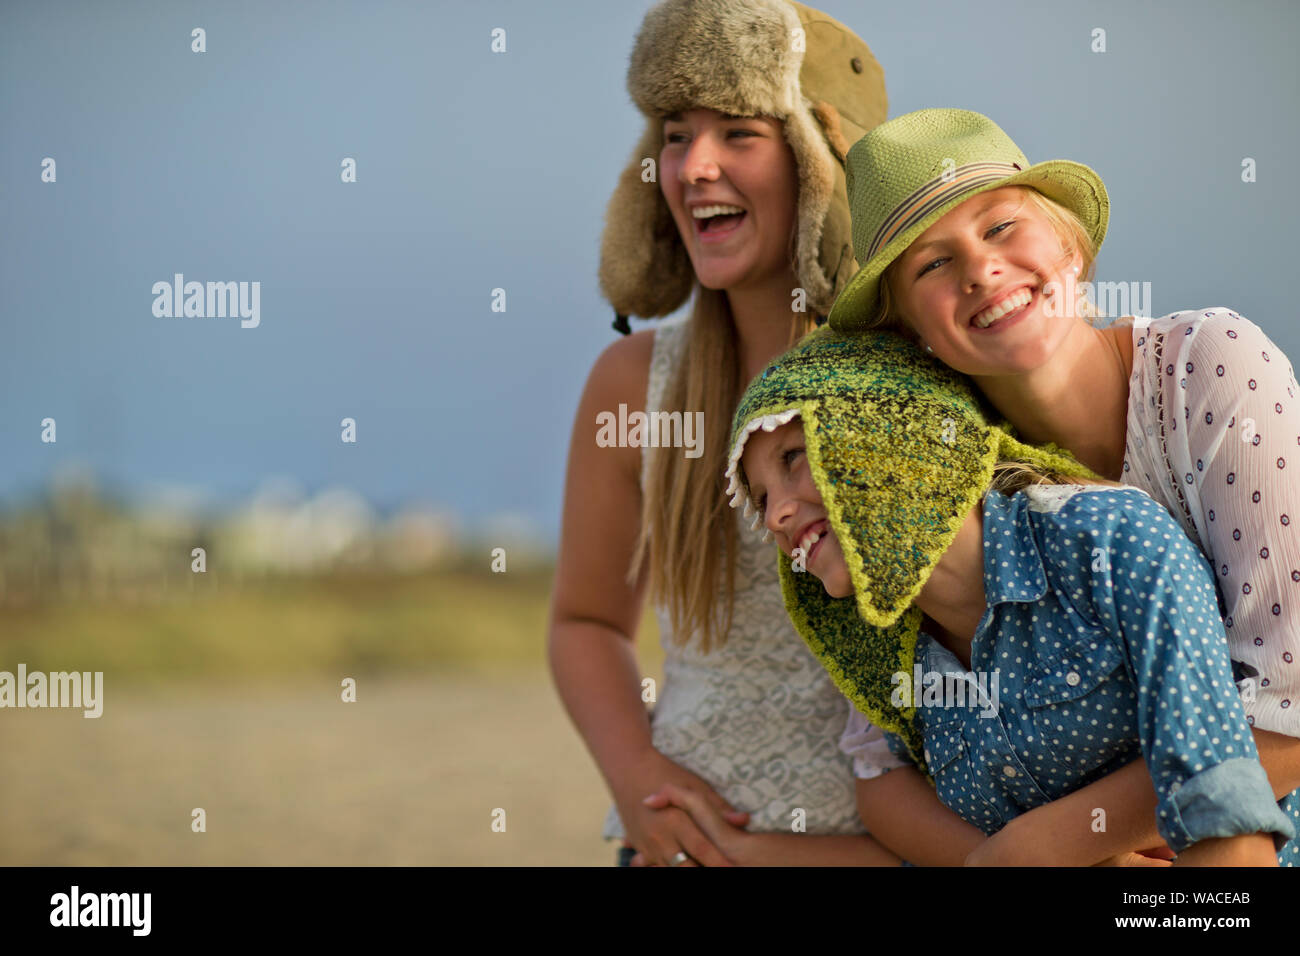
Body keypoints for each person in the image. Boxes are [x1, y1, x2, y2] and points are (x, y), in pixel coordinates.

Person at [818, 107, 1300, 865]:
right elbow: (877, 762)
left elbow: (1290, 702)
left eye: (1001, 227)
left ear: (1070, 243)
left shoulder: (1209, 367)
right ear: (912, 332)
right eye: (931, 265)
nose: (979, 268)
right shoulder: (928, 472)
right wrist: (1012, 859)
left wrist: (1062, 842)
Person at [720, 327, 1294, 866]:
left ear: (885, 430)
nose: (775, 516)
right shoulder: (877, 652)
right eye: (761, 497)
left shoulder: (1113, 543)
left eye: (794, 458)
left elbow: (1226, 813)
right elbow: (884, 789)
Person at [547, 0, 897, 866]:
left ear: (822, 163)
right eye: (673, 134)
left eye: (739, 133)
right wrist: (636, 778)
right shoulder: (632, 385)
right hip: (683, 853)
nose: (694, 167)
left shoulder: (913, 375)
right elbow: (586, 621)